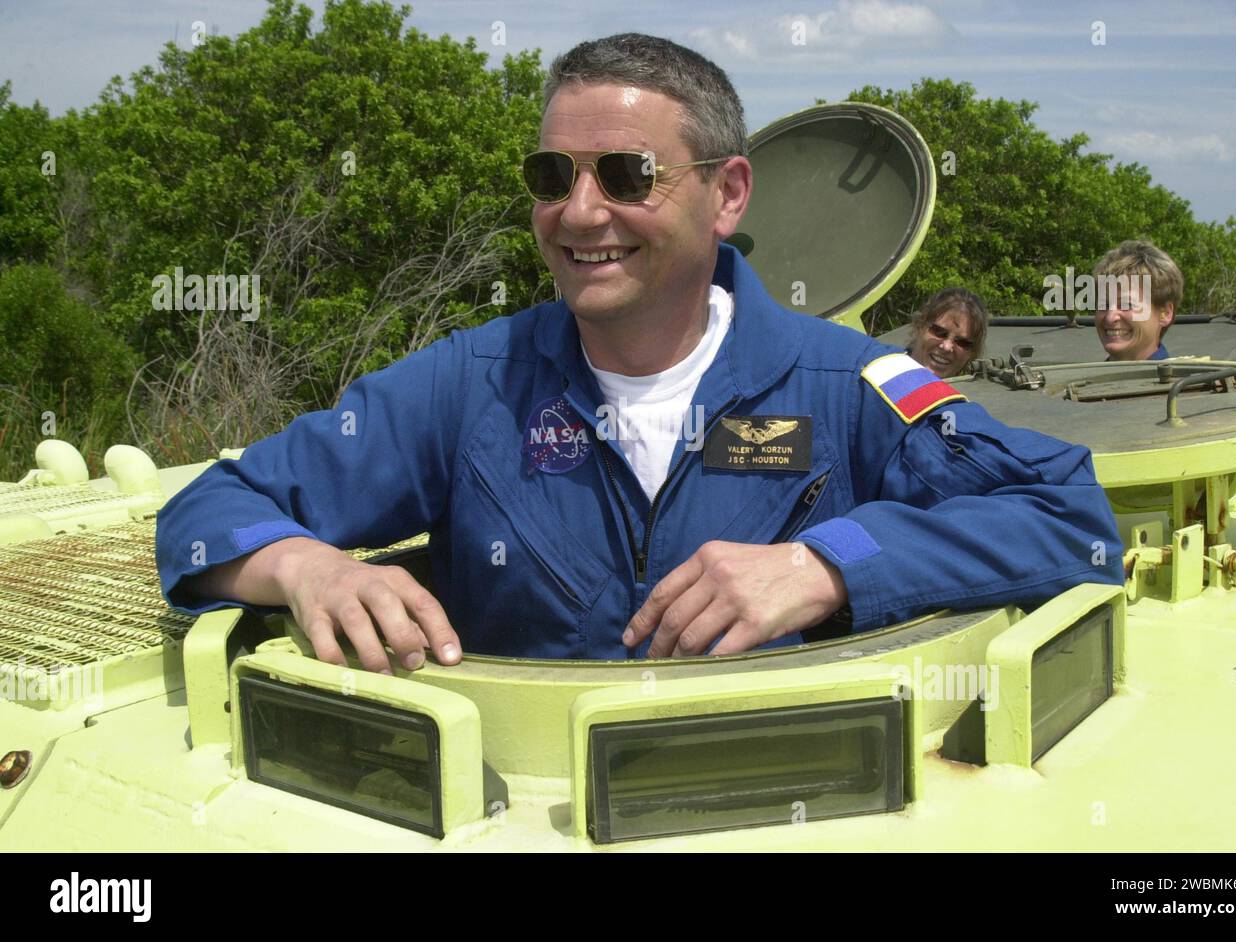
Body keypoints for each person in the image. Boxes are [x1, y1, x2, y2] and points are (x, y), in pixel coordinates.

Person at [156, 33, 1123, 673]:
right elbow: (207, 509)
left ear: (730, 193)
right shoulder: (468, 385)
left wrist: (830, 563)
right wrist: (304, 569)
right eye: (551, 175)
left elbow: (1069, 516)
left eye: (628, 175)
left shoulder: (848, 385)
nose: (580, 212)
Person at [1092, 240, 1183, 361]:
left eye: (1127, 304)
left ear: (1165, 313)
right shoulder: (1079, 378)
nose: (1110, 317)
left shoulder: (1186, 379)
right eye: (1104, 304)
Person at [905, 287, 988, 378]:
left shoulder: (972, 391)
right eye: (939, 332)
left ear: (972, 353)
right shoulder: (887, 364)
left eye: (962, 343)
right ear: (919, 325)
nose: (947, 347)